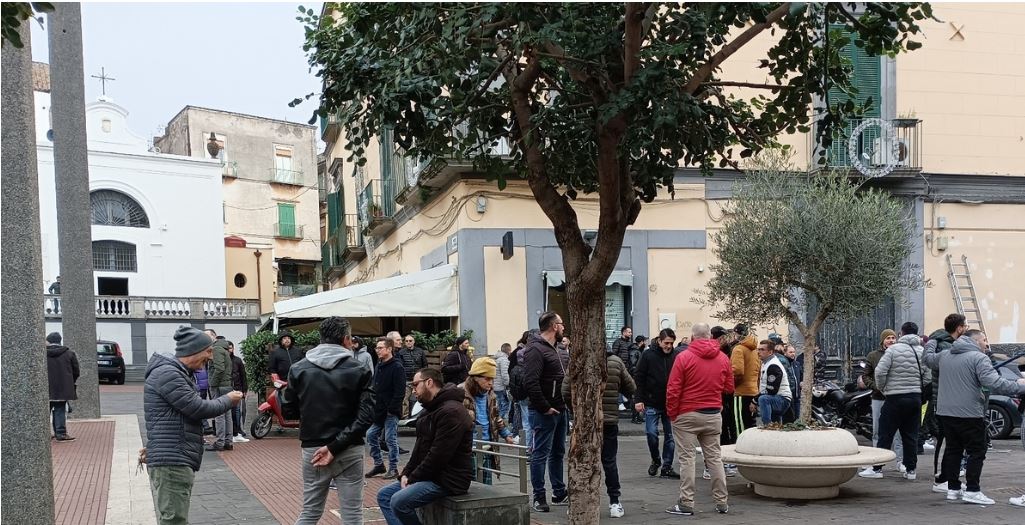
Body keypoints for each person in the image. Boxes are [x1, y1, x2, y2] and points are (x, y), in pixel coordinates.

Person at [280, 316, 375, 524]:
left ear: (321, 338)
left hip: (313, 448)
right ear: (346, 339)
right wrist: (334, 446)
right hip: (349, 448)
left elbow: (288, 411)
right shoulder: (359, 369)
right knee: (352, 514)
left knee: (310, 512)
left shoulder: (298, 368)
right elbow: (367, 415)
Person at [144, 327, 243, 525]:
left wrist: (155, 446)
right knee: (174, 520)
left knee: (176, 518)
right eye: (208, 351)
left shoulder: (177, 372)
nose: (211, 357)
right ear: (194, 350)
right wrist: (227, 400)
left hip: (173, 456)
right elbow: (197, 408)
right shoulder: (169, 374)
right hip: (173, 460)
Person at [923, 329, 1025, 505]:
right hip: (969, 412)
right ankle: (972, 490)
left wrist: (932, 340)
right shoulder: (979, 358)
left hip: (946, 412)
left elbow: (928, 359)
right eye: (984, 340)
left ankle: (953, 488)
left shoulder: (946, 355)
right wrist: (1020, 385)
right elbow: (994, 383)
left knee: (954, 450)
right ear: (975, 341)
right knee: (977, 451)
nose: (986, 344)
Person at [377, 367, 473, 525]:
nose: (413, 390)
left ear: (429, 382)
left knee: (398, 501)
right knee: (384, 495)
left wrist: (413, 478)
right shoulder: (430, 409)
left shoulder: (451, 412)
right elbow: (419, 449)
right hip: (431, 475)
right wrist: (406, 474)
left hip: (448, 479)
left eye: (415, 385)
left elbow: (439, 455)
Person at [665, 324, 734, 516]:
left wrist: (673, 413)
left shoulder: (683, 357)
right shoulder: (722, 357)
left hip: (686, 413)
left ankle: (686, 502)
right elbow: (729, 387)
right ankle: (722, 502)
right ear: (710, 336)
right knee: (714, 458)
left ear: (692, 337)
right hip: (712, 413)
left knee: (687, 458)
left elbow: (673, 389)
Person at [563, 340, 635, 518]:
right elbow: (631, 387)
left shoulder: (578, 361)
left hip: (585, 423)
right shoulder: (616, 362)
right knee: (609, 461)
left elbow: (565, 391)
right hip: (609, 420)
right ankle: (614, 502)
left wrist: (575, 411)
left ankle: (578, 502)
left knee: (582, 462)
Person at [522, 312, 569, 512]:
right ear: (553, 326)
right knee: (540, 453)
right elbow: (530, 382)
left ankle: (559, 492)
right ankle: (538, 496)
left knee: (558, 452)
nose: (563, 327)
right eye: (561, 324)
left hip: (560, 409)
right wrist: (544, 406)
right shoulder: (535, 349)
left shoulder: (556, 348)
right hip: (544, 411)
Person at [872, 322, 929, 480]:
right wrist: (918, 388)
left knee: (885, 434)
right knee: (911, 436)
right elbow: (928, 375)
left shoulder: (893, 350)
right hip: (915, 398)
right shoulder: (921, 351)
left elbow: (880, 371)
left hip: (895, 398)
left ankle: (877, 469)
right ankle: (911, 470)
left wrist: (883, 388)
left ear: (901, 334)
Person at [924, 313, 968, 490]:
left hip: (943, 400)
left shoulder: (939, 344)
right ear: (959, 328)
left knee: (949, 442)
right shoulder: (950, 347)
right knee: (948, 442)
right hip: (948, 401)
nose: (966, 329)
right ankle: (942, 478)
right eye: (964, 326)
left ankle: (947, 478)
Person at [634, 328, 682, 480]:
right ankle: (656, 459)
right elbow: (639, 377)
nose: (668, 346)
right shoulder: (648, 355)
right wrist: (639, 399)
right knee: (651, 433)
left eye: (671, 343)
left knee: (670, 437)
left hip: (671, 404)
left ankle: (666, 466)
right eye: (666, 343)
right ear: (659, 341)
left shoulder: (676, 355)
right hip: (652, 402)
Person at [461, 357, 516, 484]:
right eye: (487, 379)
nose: (491, 383)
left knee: (487, 484)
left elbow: (496, 417)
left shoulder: (490, 395)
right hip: (471, 447)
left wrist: (506, 435)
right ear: (475, 377)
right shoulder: (462, 394)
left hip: (488, 445)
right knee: (473, 484)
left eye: (492, 379)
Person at [859, 329, 903, 478]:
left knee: (898, 431)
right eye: (888, 338)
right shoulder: (873, 356)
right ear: (882, 340)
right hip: (878, 397)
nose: (891, 340)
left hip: (895, 396)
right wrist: (876, 387)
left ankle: (900, 461)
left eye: (893, 338)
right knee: (877, 431)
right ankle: (876, 462)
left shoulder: (900, 353)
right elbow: (866, 376)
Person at [366, 337, 406, 480]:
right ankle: (379, 464)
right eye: (377, 348)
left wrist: (392, 409)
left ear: (389, 349)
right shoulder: (379, 365)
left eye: (380, 348)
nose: (377, 350)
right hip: (379, 410)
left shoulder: (397, 367)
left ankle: (394, 468)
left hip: (390, 410)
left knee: (390, 439)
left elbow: (400, 392)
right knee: (371, 435)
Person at [46, 332, 79, 441]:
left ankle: (44, 433)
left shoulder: (42, 353)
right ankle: (60, 434)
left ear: (48, 341)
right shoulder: (69, 353)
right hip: (63, 388)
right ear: (60, 341)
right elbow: (76, 371)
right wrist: (69, 382)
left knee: (45, 410)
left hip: (46, 388)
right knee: (60, 409)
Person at [729, 325, 760, 434]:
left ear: (736, 333)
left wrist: (732, 386)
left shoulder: (738, 349)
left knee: (740, 424)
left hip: (741, 391)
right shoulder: (754, 349)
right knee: (751, 424)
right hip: (753, 390)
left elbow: (737, 371)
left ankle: (738, 447)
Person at [206, 337, 235, 451]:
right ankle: (228, 441)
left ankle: (220, 442)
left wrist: (212, 383)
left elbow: (219, 369)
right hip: (226, 385)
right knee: (227, 415)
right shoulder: (224, 349)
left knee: (219, 414)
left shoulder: (217, 349)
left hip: (219, 386)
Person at [754, 339, 791, 425]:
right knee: (776, 424)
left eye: (762, 350)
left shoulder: (773, 365)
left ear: (770, 352)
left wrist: (754, 400)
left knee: (763, 399)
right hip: (777, 397)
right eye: (758, 349)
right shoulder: (766, 363)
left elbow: (771, 390)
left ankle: (767, 426)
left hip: (782, 399)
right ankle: (775, 429)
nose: (759, 352)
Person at [508, 332, 533, 449]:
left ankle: (527, 447)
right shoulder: (527, 366)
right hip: (526, 395)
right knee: (529, 422)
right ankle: (529, 447)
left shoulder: (516, 364)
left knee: (525, 421)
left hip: (520, 395)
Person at [396, 333, 427, 418]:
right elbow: (400, 367)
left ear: (414, 342)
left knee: (420, 398)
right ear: (404, 342)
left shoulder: (420, 351)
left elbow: (425, 365)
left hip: (418, 380)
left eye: (410, 340)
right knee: (405, 400)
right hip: (406, 379)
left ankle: (418, 415)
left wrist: (423, 377)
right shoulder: (401, 352)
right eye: (406, 341)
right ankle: (405, 416)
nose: (409, 342)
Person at [228, 342, 249, 443]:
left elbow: (243, 375)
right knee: (230, 412)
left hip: (237, 389)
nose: (229, 350)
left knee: (238, 412)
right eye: (228, 349)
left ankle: (238, 431)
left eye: (231, 348)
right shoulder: (223, 360)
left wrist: (244, 389)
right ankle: (233, 432)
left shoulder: (237, 360)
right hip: (227, 389)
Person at [494, 343, 513, 421]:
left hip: (496, 385)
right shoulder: (504, 360)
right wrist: (508, 384)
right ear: (508, 350)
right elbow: (505, 374)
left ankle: (497, 421)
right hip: (501, 386)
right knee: (505, 405)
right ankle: (501, 422)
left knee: (499, 405)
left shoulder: (497, 359)